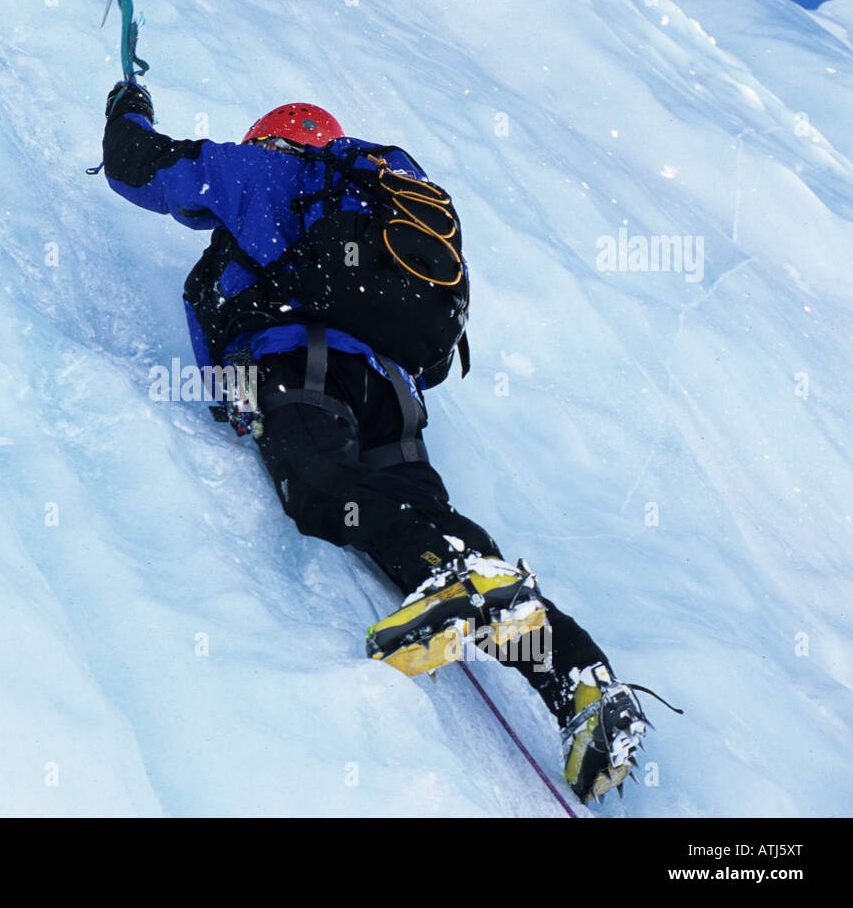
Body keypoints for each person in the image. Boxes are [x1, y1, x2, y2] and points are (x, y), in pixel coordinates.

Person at [101, 81, 661, 804]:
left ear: (272, 139)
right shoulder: (373, 195)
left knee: (323, 487)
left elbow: (136, 165)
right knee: (418, 516)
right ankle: (581, 683)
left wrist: (127, 107)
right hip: (392, 390)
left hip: (301, 365)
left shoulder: (273, 173)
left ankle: (449, 571)